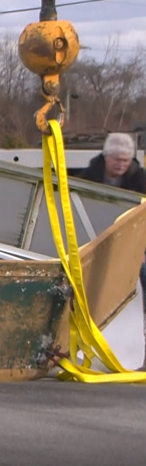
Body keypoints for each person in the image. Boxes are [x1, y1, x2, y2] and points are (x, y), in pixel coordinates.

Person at [74, 133, 146, 371]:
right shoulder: (89, 177)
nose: (121, 164)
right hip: (94, 238)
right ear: (106, 158)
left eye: (125, 160)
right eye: (116, 160)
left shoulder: (140, 181)